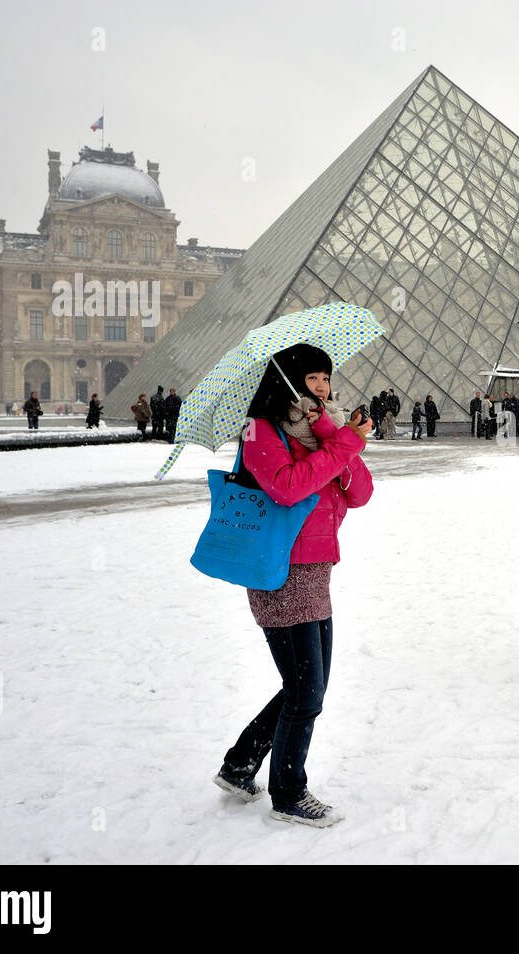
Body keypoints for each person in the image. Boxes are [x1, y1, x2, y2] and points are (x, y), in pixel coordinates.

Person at [214, 343, 374, 828]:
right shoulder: (261, 431)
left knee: (307, 685)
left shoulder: (321, 432)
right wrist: (340, 445)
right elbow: (285, 487)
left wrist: (335, 437)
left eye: (327, 378)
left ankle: (241, 763)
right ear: (287, 380)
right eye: (312, 380)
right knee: (306, 692)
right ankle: (288, 792)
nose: (323, 388)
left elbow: (361, 493)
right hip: (280, 573)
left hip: (316, 570)